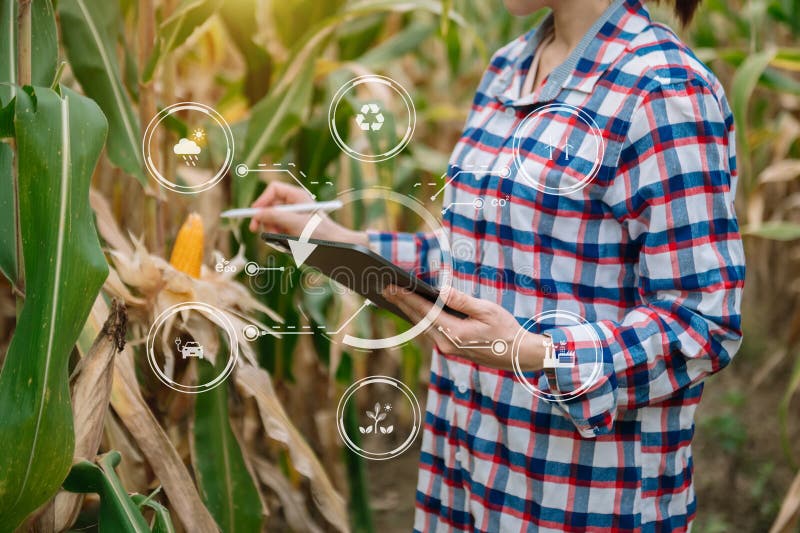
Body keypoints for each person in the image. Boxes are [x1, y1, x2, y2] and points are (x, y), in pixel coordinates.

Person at [249, 0, 745, 530]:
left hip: (579, 497)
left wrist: (532, 353)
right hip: (466, 471)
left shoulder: (663, 88)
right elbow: (479, 254)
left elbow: (702, 321)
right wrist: (342, 240)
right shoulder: (509, 67)